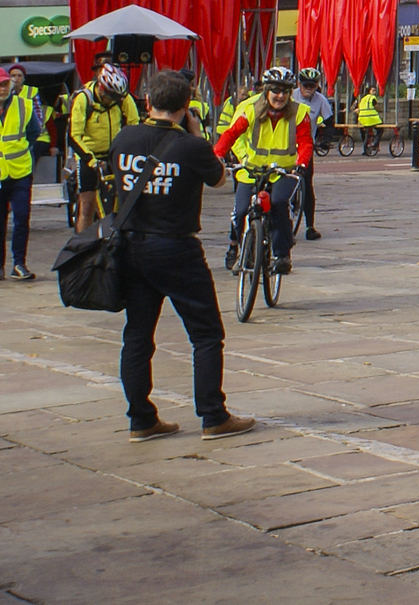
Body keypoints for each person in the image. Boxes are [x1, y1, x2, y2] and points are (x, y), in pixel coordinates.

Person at [90, 72, 255, 442]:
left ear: (147, 103)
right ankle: (213, 415)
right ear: (186, 108)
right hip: (177, 248)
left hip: (131, 246)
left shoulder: (124, 138)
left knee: (137, 336)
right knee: (206, 334)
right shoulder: (190, 146)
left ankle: (141, 419)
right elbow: (218, 179)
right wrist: (194, 133)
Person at [213, 67, 314, 276]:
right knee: (241, 211)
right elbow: (231, 134)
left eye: (285, 91)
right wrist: (217, 156)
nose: (280, 96)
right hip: (251, 170)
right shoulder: (250, 109)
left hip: (282, 172)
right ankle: (237, 245)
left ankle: (281, 254)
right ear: (266, 90)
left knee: (278, 204)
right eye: (276, 90)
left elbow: (305, 143)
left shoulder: (299, 113)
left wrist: (301, 164)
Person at [69, 61, 140, 222]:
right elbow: (74, 136)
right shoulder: (83, 99)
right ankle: (83, 244)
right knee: (88, 206)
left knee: (118, 203)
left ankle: (113, 238)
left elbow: (134, 125)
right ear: (101, 88)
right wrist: (92, 161)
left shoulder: (122, 97)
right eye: (110, 97)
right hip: (88, 156)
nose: (113, 101)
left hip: (113, 154)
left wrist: (127, 149)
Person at [0, 67, 46, 280]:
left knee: (21, 218)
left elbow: (34, 133)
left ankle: (19, 263)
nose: (2, 89)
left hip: (20, 171)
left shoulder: (23, 105)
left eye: (4, 84)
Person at [293, 68, 332, 240]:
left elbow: (330, 122)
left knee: (307, 187)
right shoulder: (291, 96)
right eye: (305, 85)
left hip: (305, 147)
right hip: (285, 147)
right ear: (298, 84)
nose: (309, 89)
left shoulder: (320, 100)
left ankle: (310, 226)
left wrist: (326, 140)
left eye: (312, 86)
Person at [355, 84, 383, 155]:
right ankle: (375, 143)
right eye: (373, 90)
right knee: (380, 130)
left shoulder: (363, 98)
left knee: (367, 133)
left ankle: (365, 150)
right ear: (369, 91)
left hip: (362, 119)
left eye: (375, 90)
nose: (374, 92)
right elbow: (376, 107)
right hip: (372, 118)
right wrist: (381, 110)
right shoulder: (372, 98)